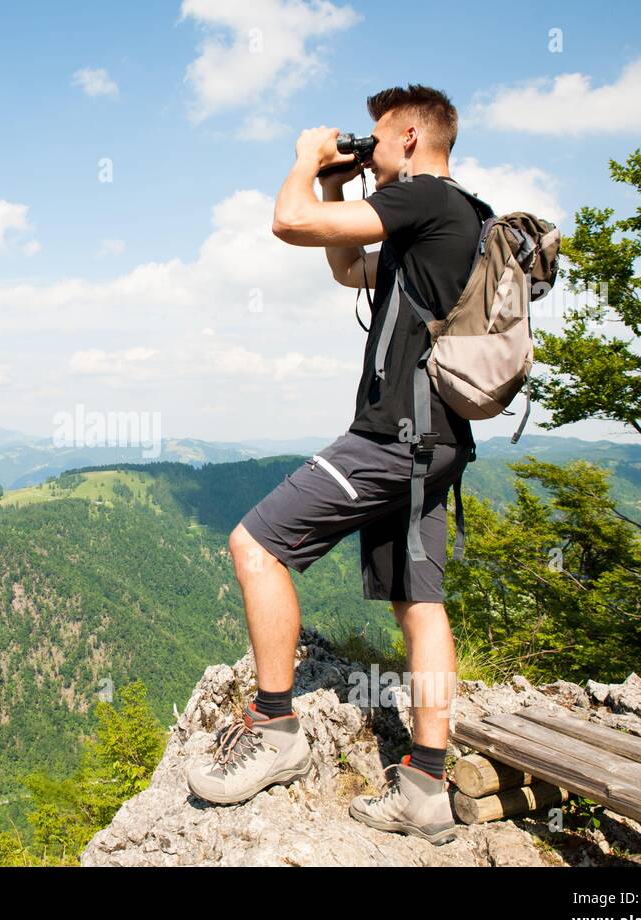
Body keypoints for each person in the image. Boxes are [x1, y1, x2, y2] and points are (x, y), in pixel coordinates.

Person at [186, 85, 483, 846]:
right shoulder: (459, 217)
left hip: (395, 435)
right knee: (417, 600)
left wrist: (303, 161)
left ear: (411, 137)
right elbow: (349, 268)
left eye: (377, 137)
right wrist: (336, 182)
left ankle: (276, 730)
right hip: (434, 441)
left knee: (256, 544)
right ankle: (424, 783)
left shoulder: (426, 199)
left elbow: (290, 225)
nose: (368, 147)